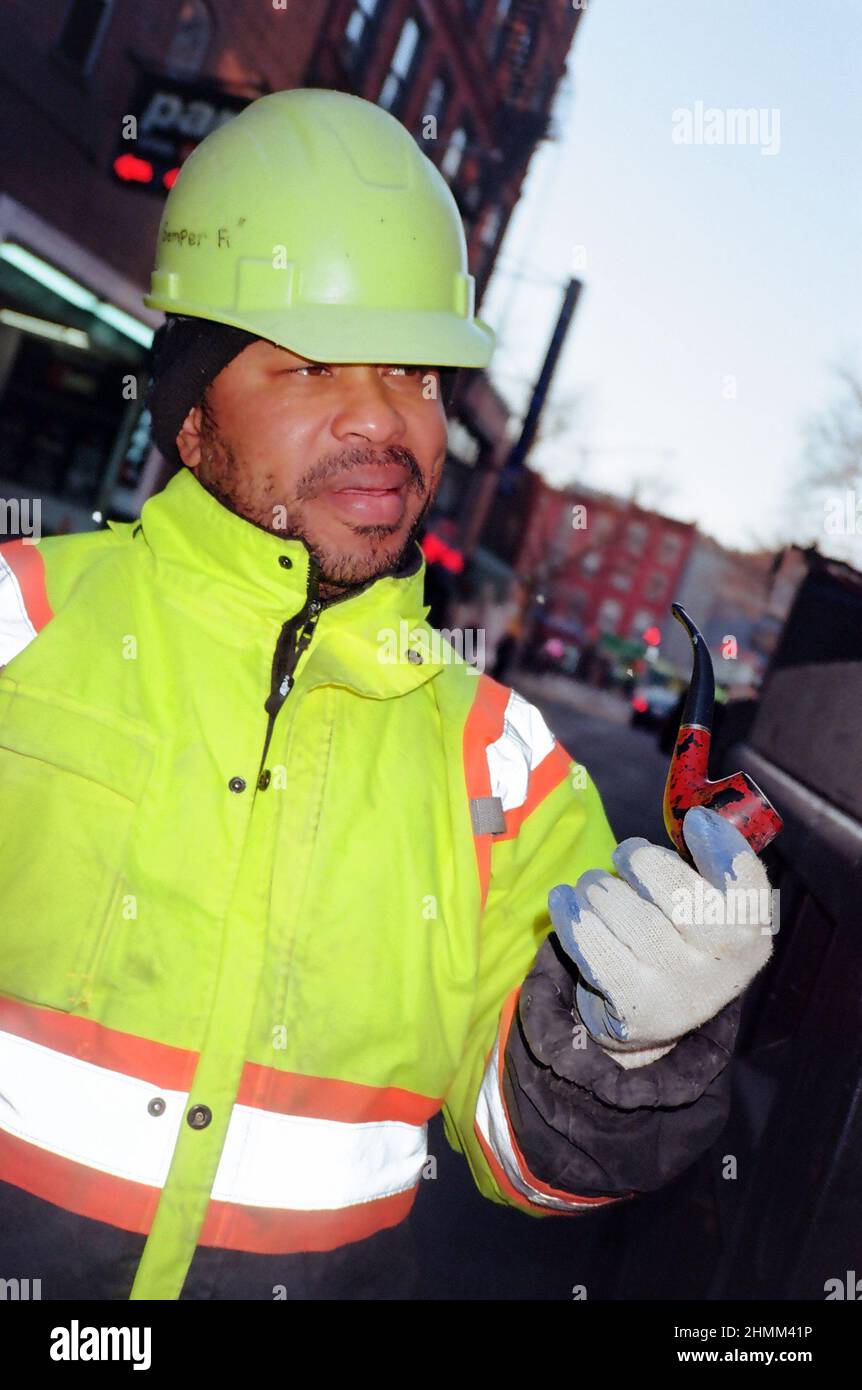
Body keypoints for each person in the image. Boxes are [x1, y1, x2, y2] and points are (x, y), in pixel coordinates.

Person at [0, 88, 775, 1301]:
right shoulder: (17, 626)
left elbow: (537, 1164)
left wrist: (630, 1044)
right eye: (311, 361)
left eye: (414, 368)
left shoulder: (501, 766)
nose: (382, 416)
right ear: (191, 407)